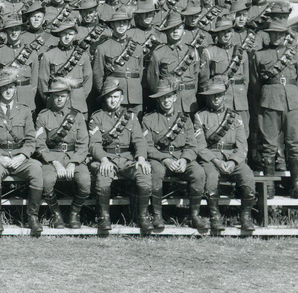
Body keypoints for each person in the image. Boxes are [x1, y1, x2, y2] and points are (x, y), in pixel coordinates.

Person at [0, 67, 44, 237]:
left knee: (37, 169)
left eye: (11, 87)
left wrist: (22, 156)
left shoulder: (24, 111)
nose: (8, 91)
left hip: (20, 157)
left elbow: (31, 140)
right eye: (5, 88)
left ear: (15, 89)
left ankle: (33, 217)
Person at [141, 80, 208, 234]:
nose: (166, 100)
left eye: (169, 96)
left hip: (181, 157)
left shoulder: (185, 120)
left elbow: (192, 145)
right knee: (155, 172)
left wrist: (185, 159)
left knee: (198, 172)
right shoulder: (148, 119)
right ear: (158, 99)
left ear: (175, 97)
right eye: (163, 97)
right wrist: (164, 159)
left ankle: (194, 216)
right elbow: (147, 146)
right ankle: (157, 216)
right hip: (160, 159)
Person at [252, 20, 298, 199]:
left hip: (292, 103)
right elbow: (255, 84)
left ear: (286, 36)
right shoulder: (259, 55)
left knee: (294, 144)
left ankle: (297, 187)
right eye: (273, 34)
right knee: (269, 145)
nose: (276, 37)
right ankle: (269, 187)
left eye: (280, 34)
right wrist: (269, 94)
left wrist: (294, 97)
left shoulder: (294, 56)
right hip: (269, 102)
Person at [87, 77, 152, 236]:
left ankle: (143, 217)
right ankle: (103, 218)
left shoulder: (130, 117)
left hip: (127, 159)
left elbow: (139, 140)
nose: (113, 100)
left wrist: (141, 159)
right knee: (104, 174)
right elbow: (94, 144)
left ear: (121, 98)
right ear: (104, 99)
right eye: (109, 97)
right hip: (106, 158)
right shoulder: (96, 118)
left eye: (116, 97)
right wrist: (103, 159)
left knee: (144, 173)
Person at [193, 80, 258, 235]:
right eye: (212, 96)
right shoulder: (200, 117)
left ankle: (246, 217)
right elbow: (200, 146)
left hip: (232, 158)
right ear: (207, 98)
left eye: (219, 95)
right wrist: (216, 161)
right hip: (211, 159)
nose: (216, 98)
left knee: (247, 176)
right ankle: (215, 217)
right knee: (211, 178)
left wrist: (233, 161)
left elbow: (242, 145)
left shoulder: (235, 117)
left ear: (224, 96)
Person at [34, 76, 90, 229]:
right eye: (56, 96)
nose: (59, 99)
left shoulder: (77, 116)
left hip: (73, 157)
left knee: (85, 180)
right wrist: (54, 162)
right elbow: (39, 144)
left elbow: (83, 144)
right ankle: (56, 215)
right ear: (51, 96)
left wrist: (73, 163)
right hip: (51, 158)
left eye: (62, 96)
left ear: (68, 97)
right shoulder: (43, 116)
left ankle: (74, 214)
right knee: (46, 181)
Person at [92, 9, 144, 115]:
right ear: (112, 25)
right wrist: (107, 92)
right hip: (113, 96)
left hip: (135, 96)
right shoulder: (103, 47)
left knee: (135, 126)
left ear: (129, 25)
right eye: (118, 22)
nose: (121, 24)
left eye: (124, 22)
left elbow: (140, 73)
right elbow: (98, 74)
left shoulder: (137, 48)